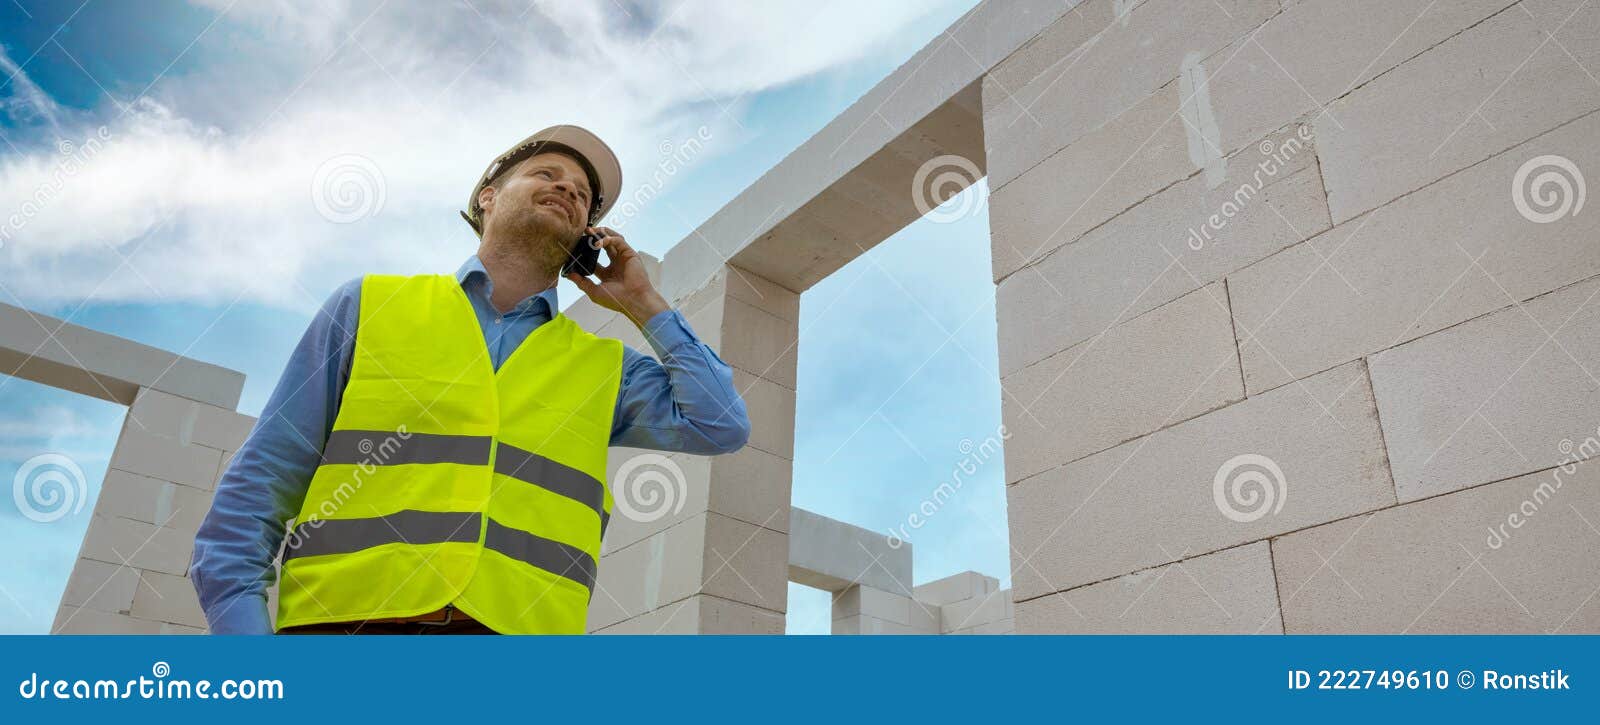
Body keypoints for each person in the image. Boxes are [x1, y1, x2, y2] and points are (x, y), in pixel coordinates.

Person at [189, 125, 751, 634]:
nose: (569, 191)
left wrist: (641, 302)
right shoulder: (369, 306)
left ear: (587, 234)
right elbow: (259, 487)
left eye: (583, 194)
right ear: (488, 197)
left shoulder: (608, 367)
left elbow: (719, 424)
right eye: (546, 174)